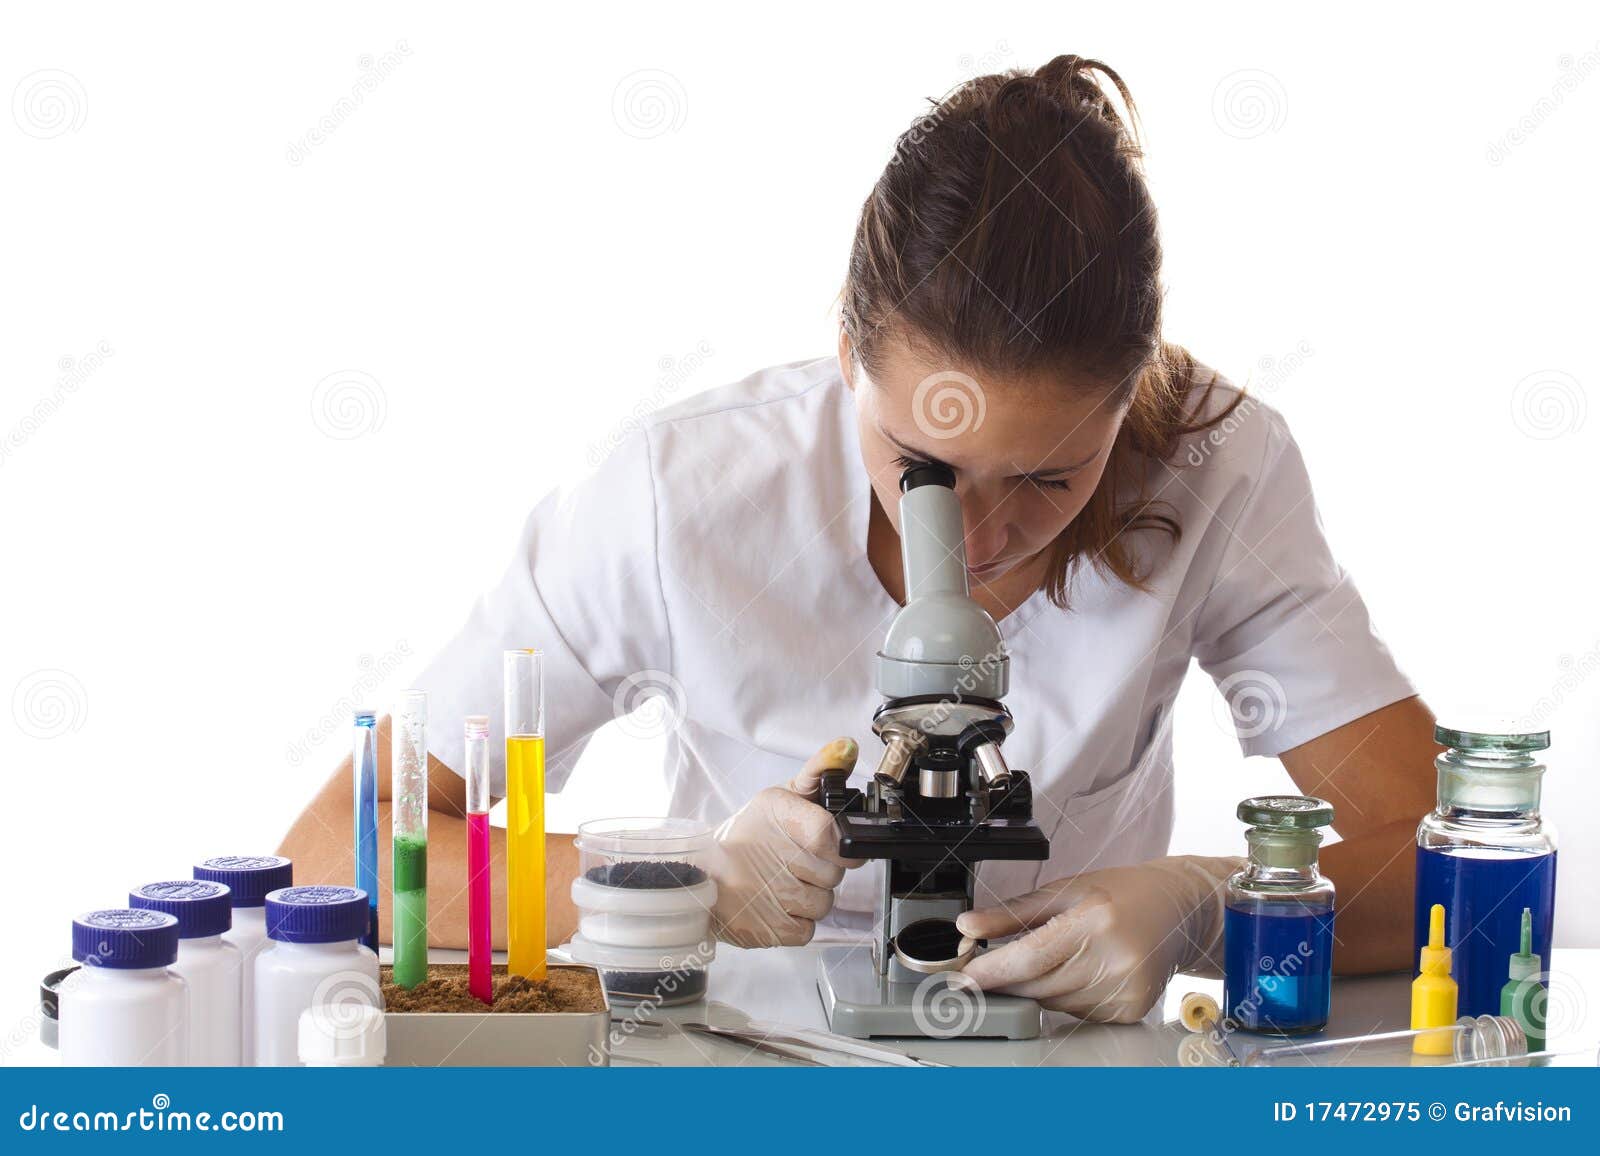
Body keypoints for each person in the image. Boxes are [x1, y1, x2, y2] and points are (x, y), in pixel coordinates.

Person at [280, 55, 1438, 1023]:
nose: (979, 540)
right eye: (924, 470)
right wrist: (674, 881)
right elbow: (342, 846)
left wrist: (1213, 907)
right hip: (739, 1061)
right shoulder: (683, 493)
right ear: (847, 353)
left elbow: (1452, 874)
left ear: (1130, 397)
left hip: (1066, 1066)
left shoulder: (1218, 469)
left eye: (1049, 475)